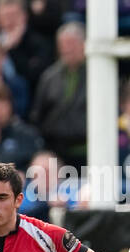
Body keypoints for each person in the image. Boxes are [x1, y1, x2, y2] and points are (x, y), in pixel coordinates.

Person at [29, 22, 87, 167]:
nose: (67, 49)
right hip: (56, 151)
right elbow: (38, 116)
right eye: (63, 44)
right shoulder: (49, 77)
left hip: (88, 151)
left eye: (71, 43)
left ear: (84, 45)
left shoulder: (98, 75)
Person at [0, 0, 54, 94]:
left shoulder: (38, 43)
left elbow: (36, 77)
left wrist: (13, 49)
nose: (9, 21)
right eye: (5, 16)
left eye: (13, 15)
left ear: (24, 16)